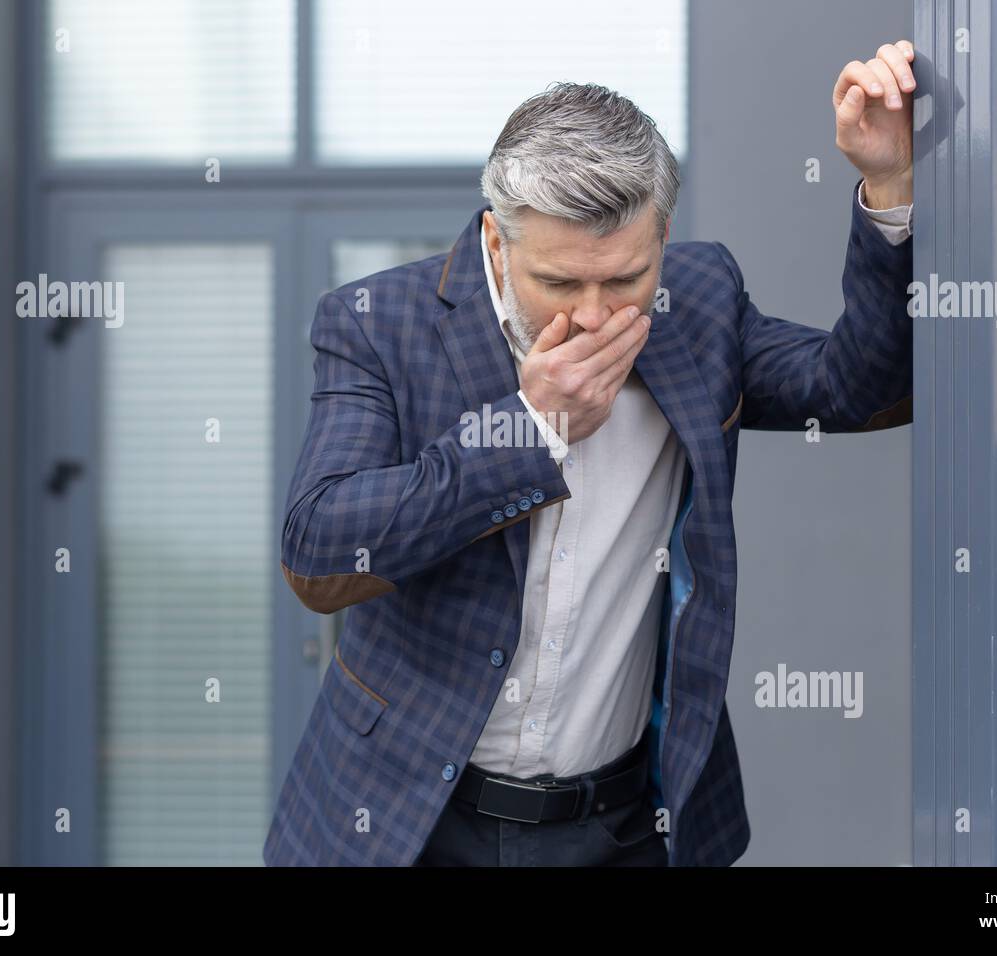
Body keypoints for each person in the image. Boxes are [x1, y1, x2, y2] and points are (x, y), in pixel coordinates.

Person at [265, 41, 917, 866]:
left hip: (623, 827)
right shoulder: (375, 322)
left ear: (664, 234)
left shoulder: (700, 303)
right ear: (497, 247)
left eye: (626, 279)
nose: (597, 315)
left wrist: (890, 187)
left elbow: (859, 391)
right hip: (411, 823)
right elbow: (319, 551)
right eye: (561, 284)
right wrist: (529, 426)